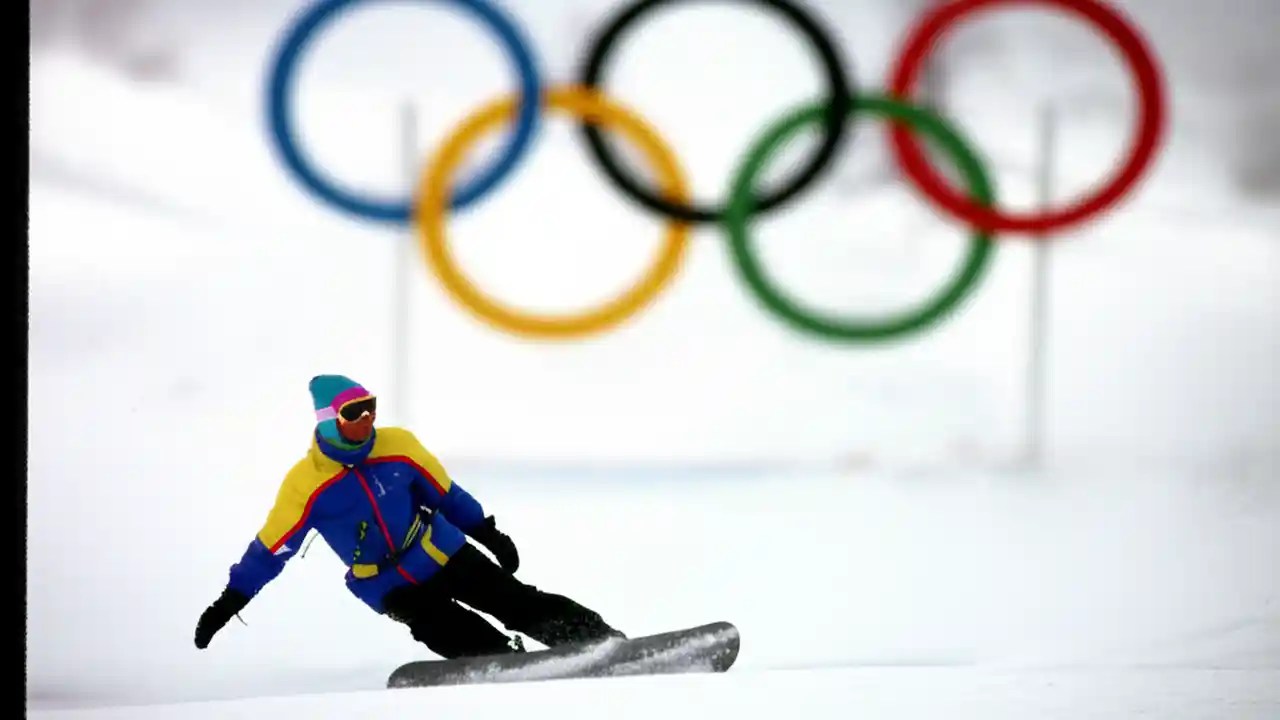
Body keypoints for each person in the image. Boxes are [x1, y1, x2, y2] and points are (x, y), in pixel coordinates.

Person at [194, 374, 624, 659]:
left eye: (370, 406)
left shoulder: (398, 445)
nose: (366, 419)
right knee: (442, 626)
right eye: (352, 412)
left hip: (439, 547)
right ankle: (505, 664)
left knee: (513, 599)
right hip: (386, 583)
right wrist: (230, 601)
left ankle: (600, 644)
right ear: (328, 422)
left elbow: (445, 494)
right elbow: (270, 551)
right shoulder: (305, 486)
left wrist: (487, 533)